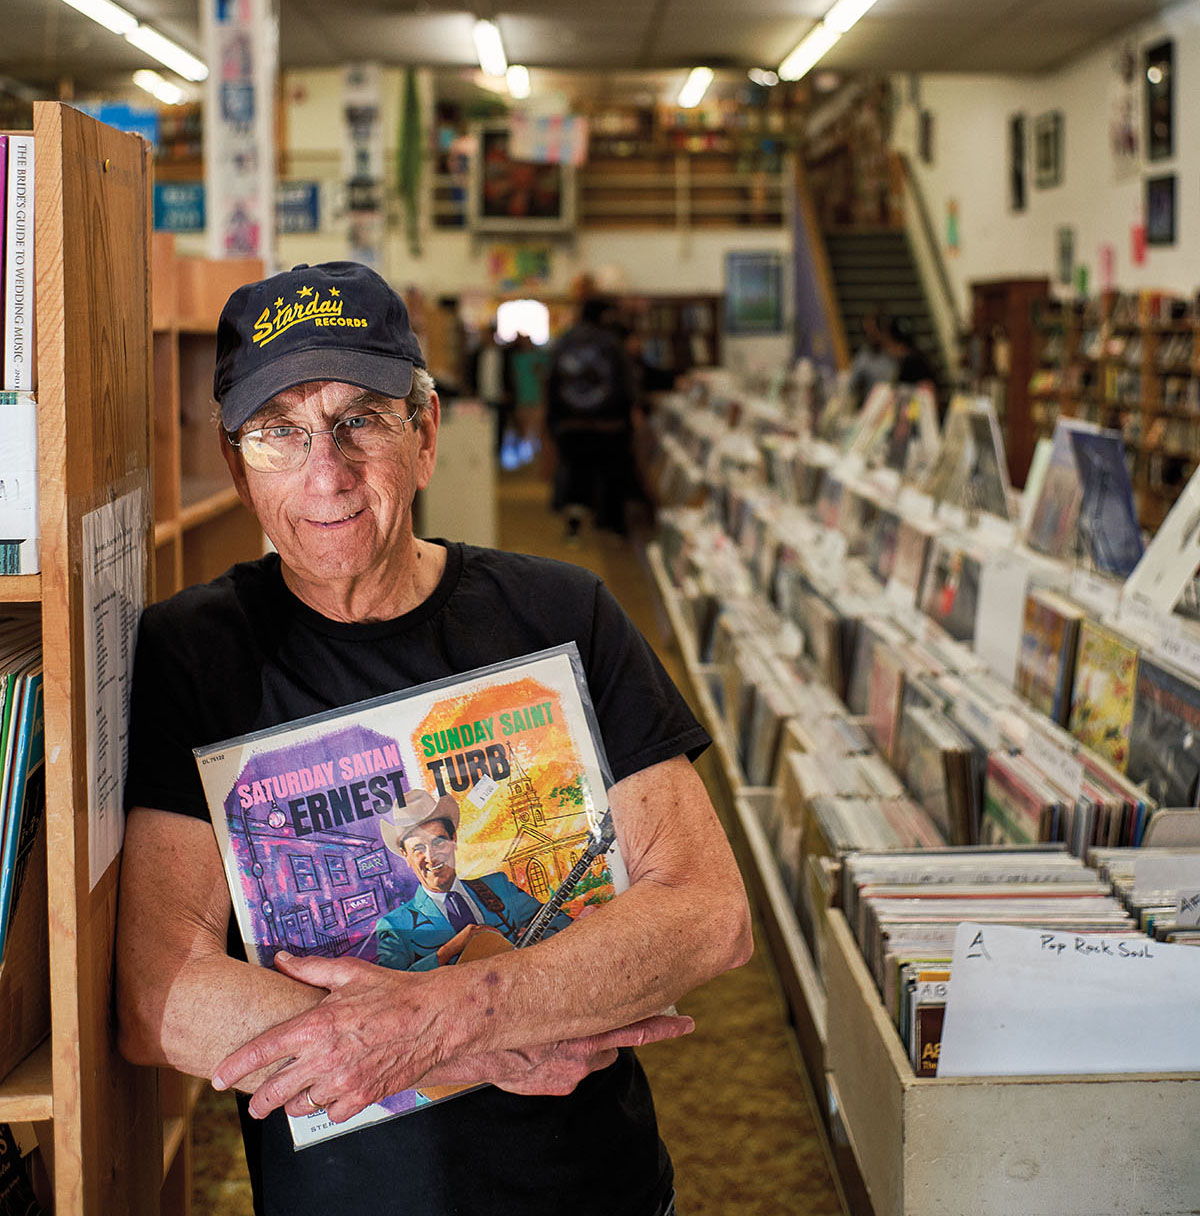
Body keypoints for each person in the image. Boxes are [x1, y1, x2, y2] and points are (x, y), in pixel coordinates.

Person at [115, 260, 752, 1216]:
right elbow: (159, 995)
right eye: (279, 433)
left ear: (426, 433)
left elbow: (710, 910)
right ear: (237, 466)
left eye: (359, 419)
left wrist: (443, 1016)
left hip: (591, 1188)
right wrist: (469, 1037)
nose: (325, 471)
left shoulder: (560, 612)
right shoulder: (193, 655)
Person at [374, 789, 573, 972]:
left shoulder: (499, 887)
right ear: (404, 855)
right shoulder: (394, 927)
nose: (431, 856)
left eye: (439, 841)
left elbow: (563, 925)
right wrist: (446, 952)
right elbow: (390, 993)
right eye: (418, 848)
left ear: (454, 840)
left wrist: (543, 943)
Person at [545, 294, 638, 541]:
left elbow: (551, 382)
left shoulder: (565, 341)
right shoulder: (612, 343)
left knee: (574, 475)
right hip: (609, 424)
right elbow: (626, 384)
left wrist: (553, 421)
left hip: (570, 424)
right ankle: (612, 528)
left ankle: (573, 528)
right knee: (610, 475)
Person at [847, 308, 897, 408]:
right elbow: (852, 389)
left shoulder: (894, 354)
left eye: (874, 330)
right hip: (874, 411)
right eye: (868, 331)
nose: (872, 335)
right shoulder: (862, 360)